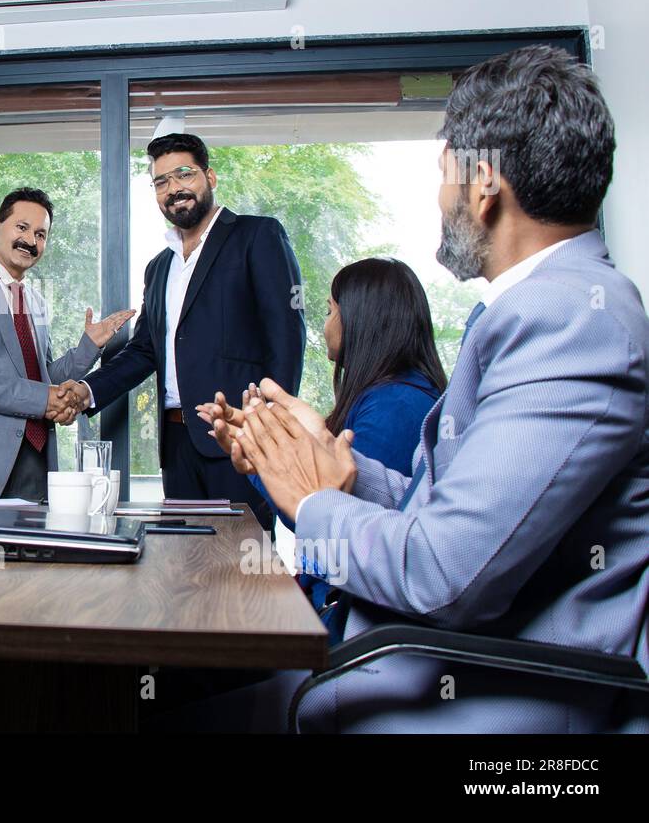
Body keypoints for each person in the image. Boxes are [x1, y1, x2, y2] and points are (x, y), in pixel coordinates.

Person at [204, 45, 649, 732]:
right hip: (427, 664)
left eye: (444, 174)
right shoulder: (551, 308)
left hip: (482, 700)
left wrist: (316, 498)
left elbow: (444, 573)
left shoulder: (568, 320)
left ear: (484, 183)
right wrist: (325, 463)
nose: (441, 199)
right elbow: (458, 510)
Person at [60, 133, 306, 529]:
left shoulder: (257, 236)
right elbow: (144, 352)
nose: (174, 189)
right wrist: (86, 390)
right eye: (161, 182)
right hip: (176, 446)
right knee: (182, 568)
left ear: (209, 176)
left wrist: (267, 428)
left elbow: (287, 337)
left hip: (239, 439)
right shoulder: (159, 268)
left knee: (242, 569)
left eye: (184, 175)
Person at [232, 258, 446, 643]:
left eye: (331, 311)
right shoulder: (387, 397)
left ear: (360, 320)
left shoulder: (393, 408)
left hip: (346, 631)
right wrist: (259, 453)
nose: (324, 323)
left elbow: (327, 522)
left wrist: (266, 458)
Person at [0, 188, 134, 500]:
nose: (31, 241)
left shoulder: (35, 302)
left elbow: (43, 377)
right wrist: (43, 400)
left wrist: (88, 346)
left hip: (35, 461)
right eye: (21, 228)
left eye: (41, 234)